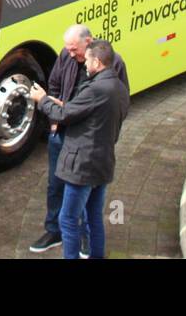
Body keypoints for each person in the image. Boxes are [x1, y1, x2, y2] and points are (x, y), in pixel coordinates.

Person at [30, 24, 128, 255]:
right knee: (57, 187)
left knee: (70, 217)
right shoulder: (70, 56)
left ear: (90, 45)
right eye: (69, 50)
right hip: (77, 142)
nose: (74, 57)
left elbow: (116, 108)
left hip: (83, 152)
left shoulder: (104, 78)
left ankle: (80, 242)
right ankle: (57, 234)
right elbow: (55, 83)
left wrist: (44, 102)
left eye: (76, 51)